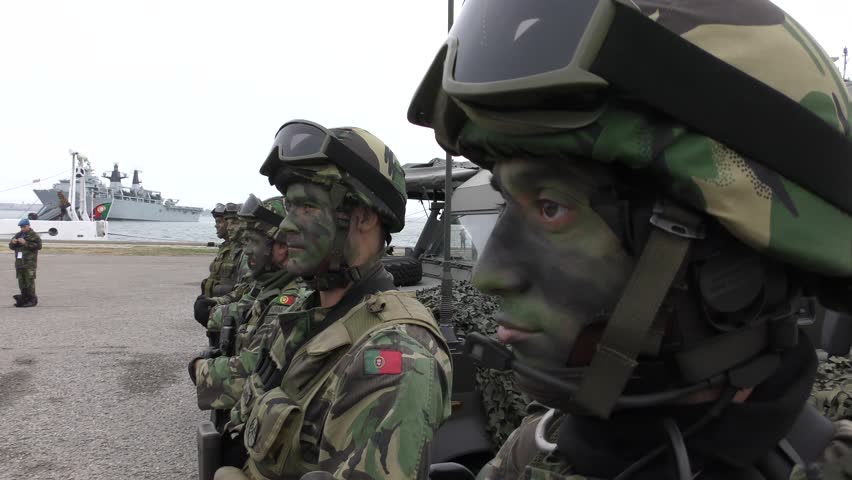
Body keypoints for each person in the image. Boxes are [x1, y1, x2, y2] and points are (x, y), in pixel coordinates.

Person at [407, 1, 852, 479]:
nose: (488, 274)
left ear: (729, 264)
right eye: (508, 206)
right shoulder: (537, 451)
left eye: (551, 208)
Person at [213, 121, 452, 480]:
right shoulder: (307, 311)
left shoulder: (398, 354)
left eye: (307, 206)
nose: (285, 228)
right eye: (290, 207)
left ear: (363, 217)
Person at [9, 218, 42, 307]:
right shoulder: (19, 234)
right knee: (21, 282)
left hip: (29, 263)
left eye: (24, 226)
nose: (22, 228)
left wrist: (25, 243)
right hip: (19, 263)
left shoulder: (34, 235)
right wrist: (13, 242)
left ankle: (32, 299)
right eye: (21, 227)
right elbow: (11, 246)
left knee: (29, 282)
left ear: (28, 225)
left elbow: (39, 246)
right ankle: (24, 299)